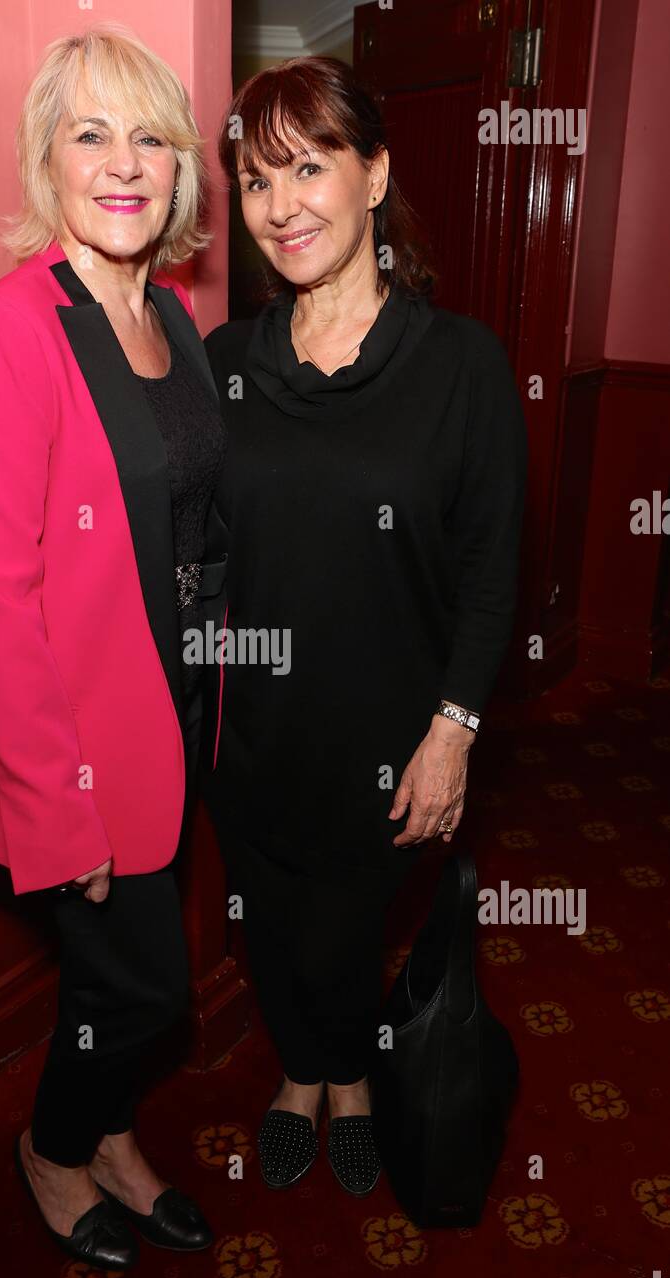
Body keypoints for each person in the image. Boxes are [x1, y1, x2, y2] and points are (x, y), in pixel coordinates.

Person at [0, 25, 226, 1269]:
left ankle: (108, 1138)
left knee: (121, 990)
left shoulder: (171, 316)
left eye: (148, 136)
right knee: (147, 993)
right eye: (90, 134)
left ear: (177, 173)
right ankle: (53, 1150)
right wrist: (61, 811)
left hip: (176, 724)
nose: (123, 163)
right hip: (73, 766)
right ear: (45, 163)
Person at [201, 57, 528, 1196]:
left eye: (308, 166)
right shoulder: (226, 364)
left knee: (341, 932)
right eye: (253, 180)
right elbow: (195, 558)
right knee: (274, 930)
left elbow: (493, 573)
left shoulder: (461, 368)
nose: (280, 204)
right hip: (253, 734)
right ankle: (304, 1071)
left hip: (389, 745)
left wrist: (452, 728)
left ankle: (336, 1077)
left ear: (374, 173)